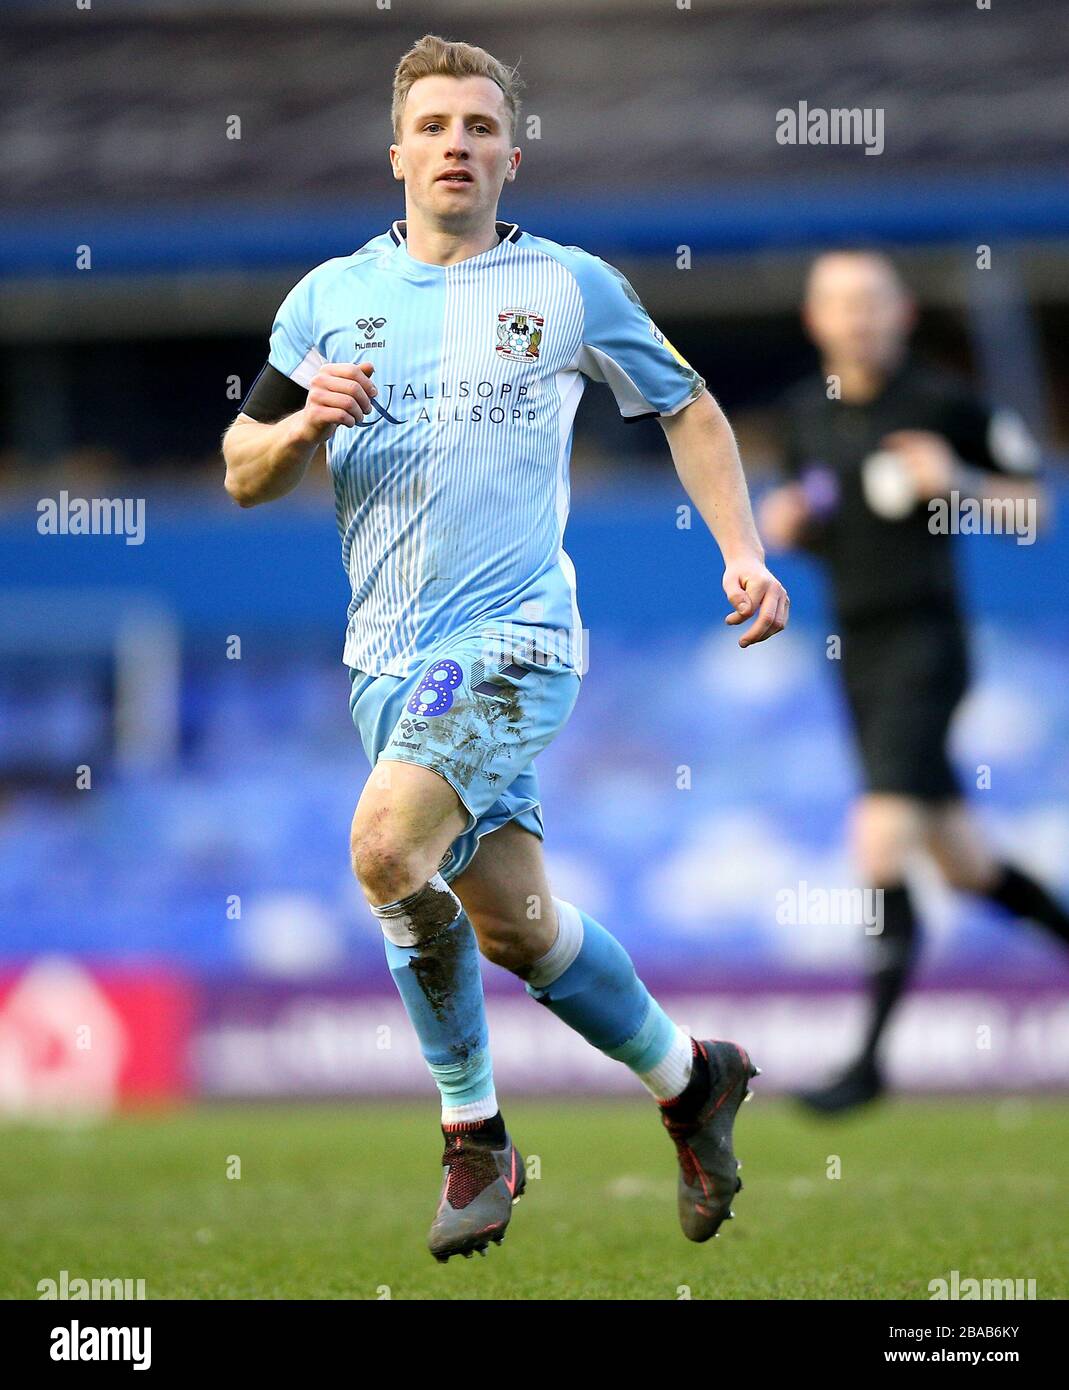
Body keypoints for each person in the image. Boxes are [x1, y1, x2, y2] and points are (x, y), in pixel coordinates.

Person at [223, 33, 786, 1260]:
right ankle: (692, 1078)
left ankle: (473, 1138)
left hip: (519, 639)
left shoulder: (569, 286)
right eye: (433, 128)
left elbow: (685, 401)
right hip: (389, 664)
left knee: (382, 848)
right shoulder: (326, 301)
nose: (456, 146)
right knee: (516, 928)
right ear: (397, 155)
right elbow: (241, 471)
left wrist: (738, 549)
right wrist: (301, 425)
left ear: (510, 157)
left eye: (478, 127)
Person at [760, 249, 1069, 1115]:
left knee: (878, 834)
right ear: (815, 319)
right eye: (838, 304)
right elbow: (812, 514)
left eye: (871, 302)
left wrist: (961, 481)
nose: (856, 318)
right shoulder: (802, 415)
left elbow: (1035, 510)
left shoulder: (943, 405)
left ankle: (867, 1062)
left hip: (925, 644)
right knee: (963, 865)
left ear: (899, 313)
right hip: (853, 651)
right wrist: (787, 528)